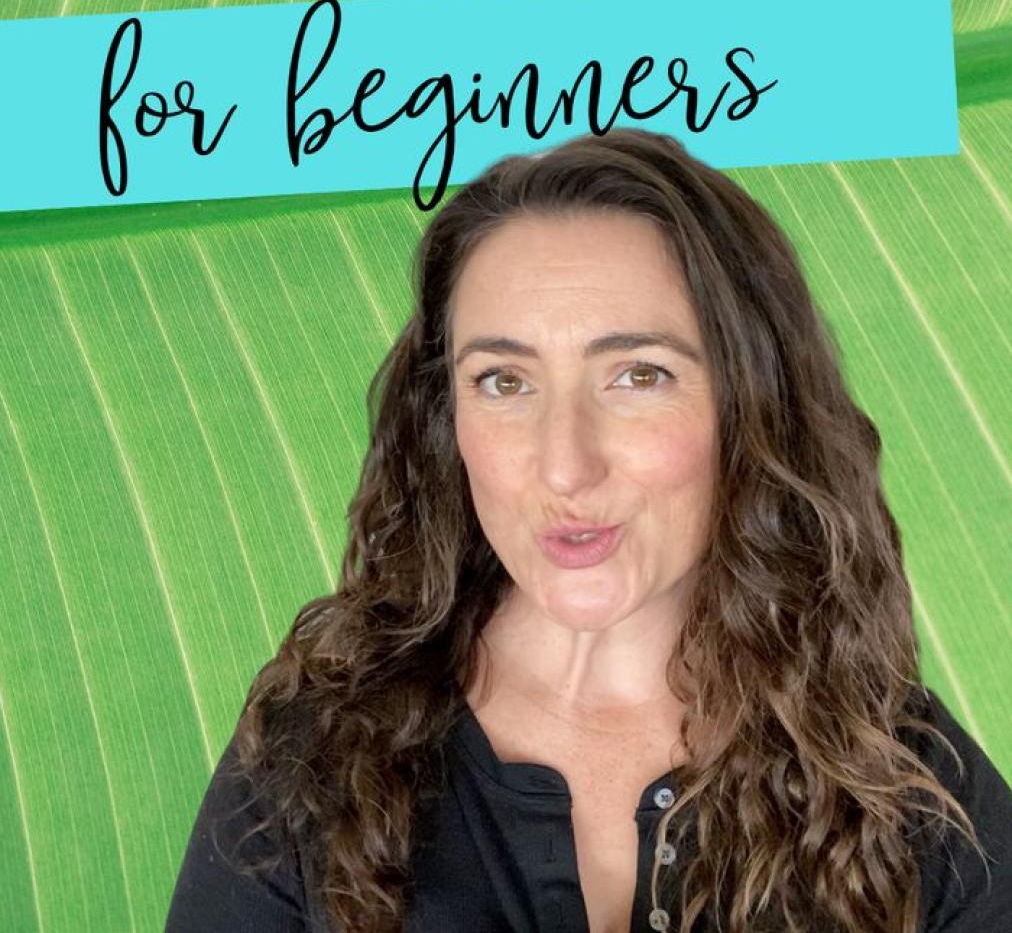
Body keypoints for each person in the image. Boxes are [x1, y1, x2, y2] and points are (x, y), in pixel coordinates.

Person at [164, 129, 1012, 933]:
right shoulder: (315, 754)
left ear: (751, 403)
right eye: (503, 381)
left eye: (637, 375)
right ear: (444, 417)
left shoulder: (906, 785)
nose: (565, 467)